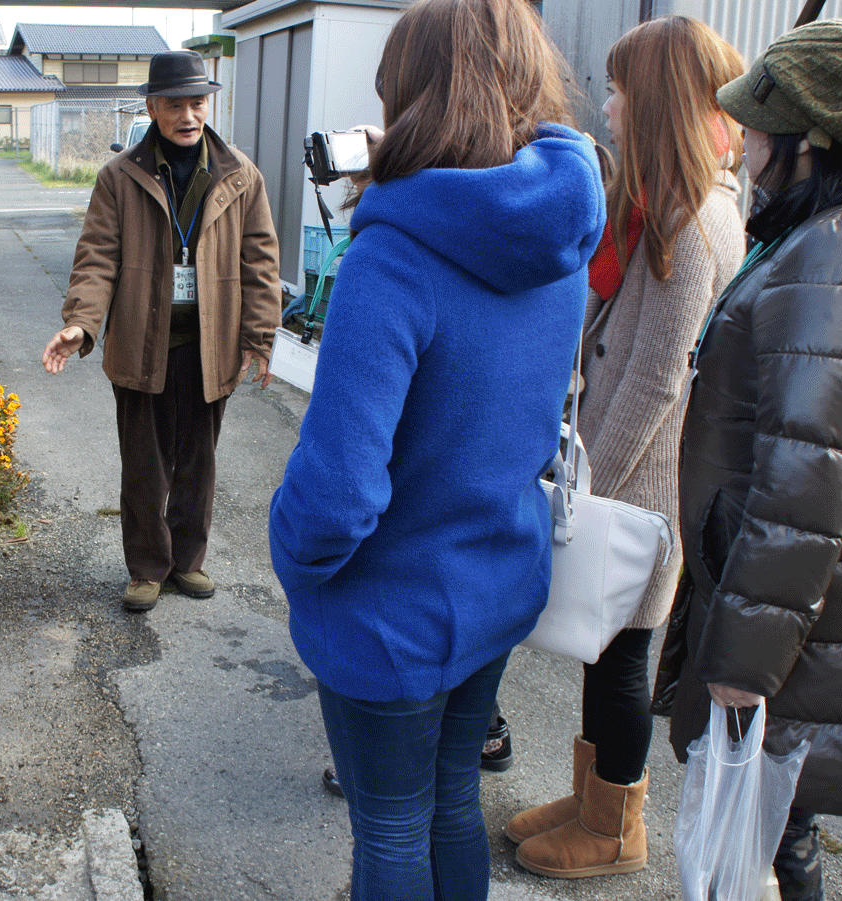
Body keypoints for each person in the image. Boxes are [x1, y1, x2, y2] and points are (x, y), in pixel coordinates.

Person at [268, 0, 605, 897]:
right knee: (453, 800)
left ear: (413, 99)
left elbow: (336, 494)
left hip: (390, 611)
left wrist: (294, 563)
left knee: (386, 829)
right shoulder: (557, 237)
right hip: (496, 577)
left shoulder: (393, 256)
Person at [664, 20, 842, 901]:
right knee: (783, 831)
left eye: (757, 128)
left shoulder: (837, 259)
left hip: (802, 624)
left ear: (811, 142)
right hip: (835, 607)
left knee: (771, 840)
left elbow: (802, 493)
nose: (742, 145)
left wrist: (739, 667)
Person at [506, 16, 746, 880]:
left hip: (637, 482)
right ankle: (593, 795)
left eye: (617, 90)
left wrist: (588, 482)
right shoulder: (662, 205)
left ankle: (613, 827)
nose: (604, 106)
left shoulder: (691, 219)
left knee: (619, 658)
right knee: (601, 644)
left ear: (659, 104)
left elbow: (655, 376)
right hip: (626, 471)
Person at [43, 50, 279, 613]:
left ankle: (187, 562)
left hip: (210, 345)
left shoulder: (241, 175)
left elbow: (260, 261)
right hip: (140, 344)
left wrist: (259, 338)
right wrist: (80, 323)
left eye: (197, 102)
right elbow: (97, 257)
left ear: (208, 104)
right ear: (152, 106)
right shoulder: (119, 176)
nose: (188, 115)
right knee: (145, 467)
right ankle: (148, 567)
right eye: (175, 103)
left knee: (199, 462)